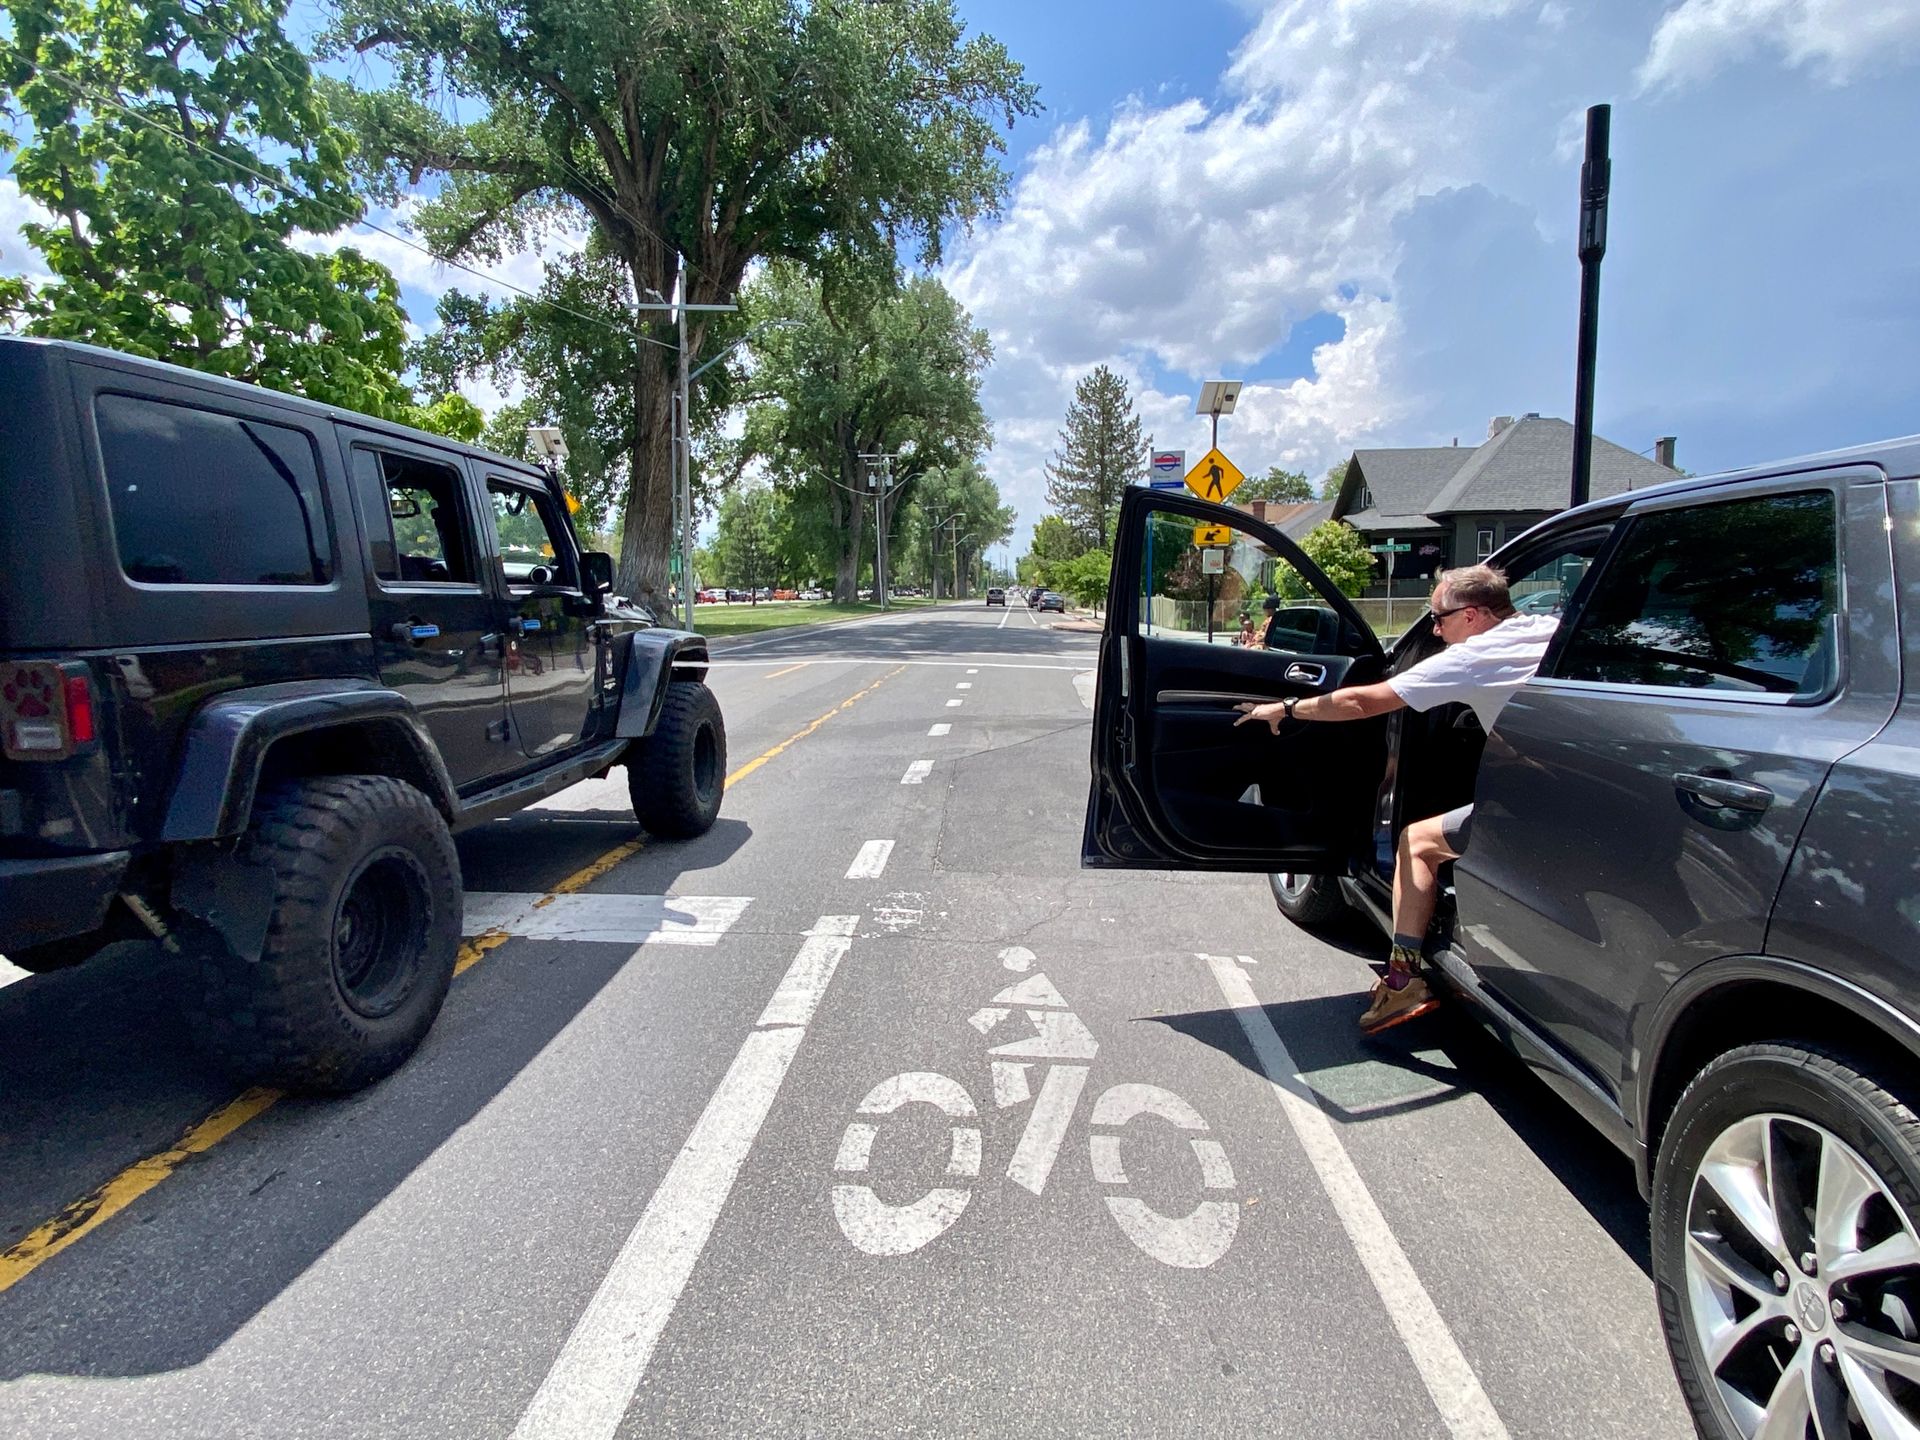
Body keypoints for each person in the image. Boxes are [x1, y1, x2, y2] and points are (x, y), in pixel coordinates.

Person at [1232, 564, 1560, 1033]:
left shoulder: (1471, 658)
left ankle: (1403, 979)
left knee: (1417, 842)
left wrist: (1287, 708)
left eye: (1439, 618)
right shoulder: (1548, 628)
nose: (1434, 630)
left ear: (1471, 615)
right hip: (1578, 784)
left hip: (1543, 808)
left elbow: (1363, 702)